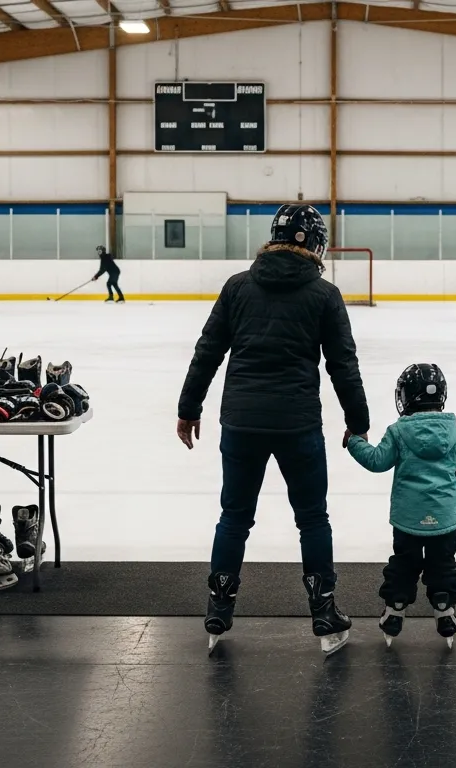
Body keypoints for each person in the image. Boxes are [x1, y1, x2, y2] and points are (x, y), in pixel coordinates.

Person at [177, 203, 369, 656]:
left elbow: (208, 352)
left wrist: (189, 408)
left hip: (241, 422)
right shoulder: (324, 294)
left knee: (234, 517)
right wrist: (357, 422)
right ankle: (324, 614)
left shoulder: (238, 287)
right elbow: (344, 365)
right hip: (298, 424)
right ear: (314, 244)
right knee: (312, 518)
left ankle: (219, 608)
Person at [346, 363, 456, 648]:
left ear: (407, 397)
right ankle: (444, 609)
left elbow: (377, 461)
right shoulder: (455, 434)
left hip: (408, 519)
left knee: (405, 563)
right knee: (442, 564)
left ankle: (395, 609)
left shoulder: (399, 432)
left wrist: (355, 441)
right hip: (444, 520)